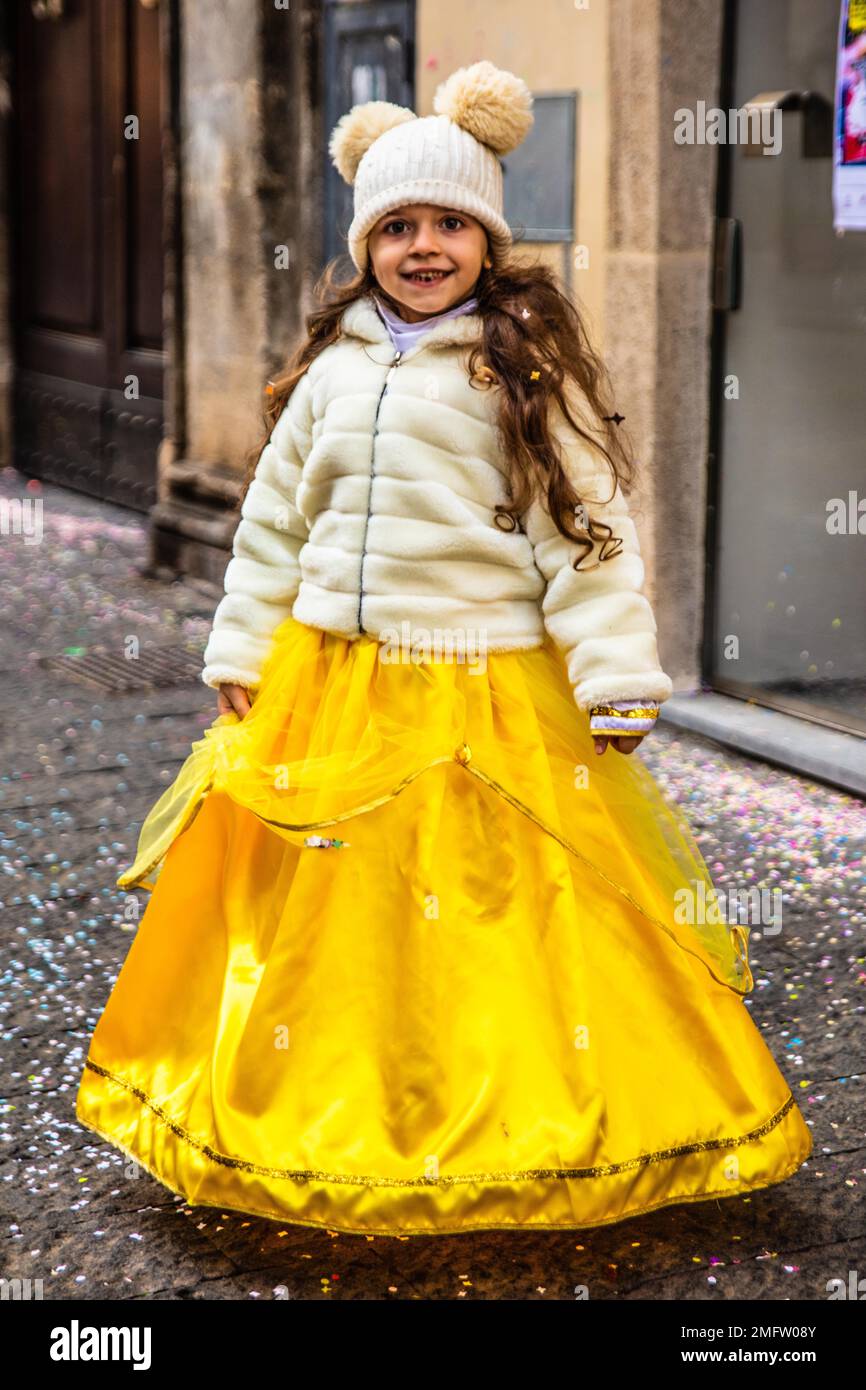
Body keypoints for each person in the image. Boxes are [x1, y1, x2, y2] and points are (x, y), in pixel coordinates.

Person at [76, 60, 811, 1236]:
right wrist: (244, 642)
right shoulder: (331, 370)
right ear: (365, 241)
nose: (424, 247)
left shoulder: (517, 370)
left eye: (450, 224)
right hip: (333, 683)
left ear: (487, 237)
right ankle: (334, 1110)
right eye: (398, 225)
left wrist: (616, 674)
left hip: (482, 688)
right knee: (331, 919)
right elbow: (274, 519)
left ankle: (508, 1129)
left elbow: (587, 540)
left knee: (487, 915)